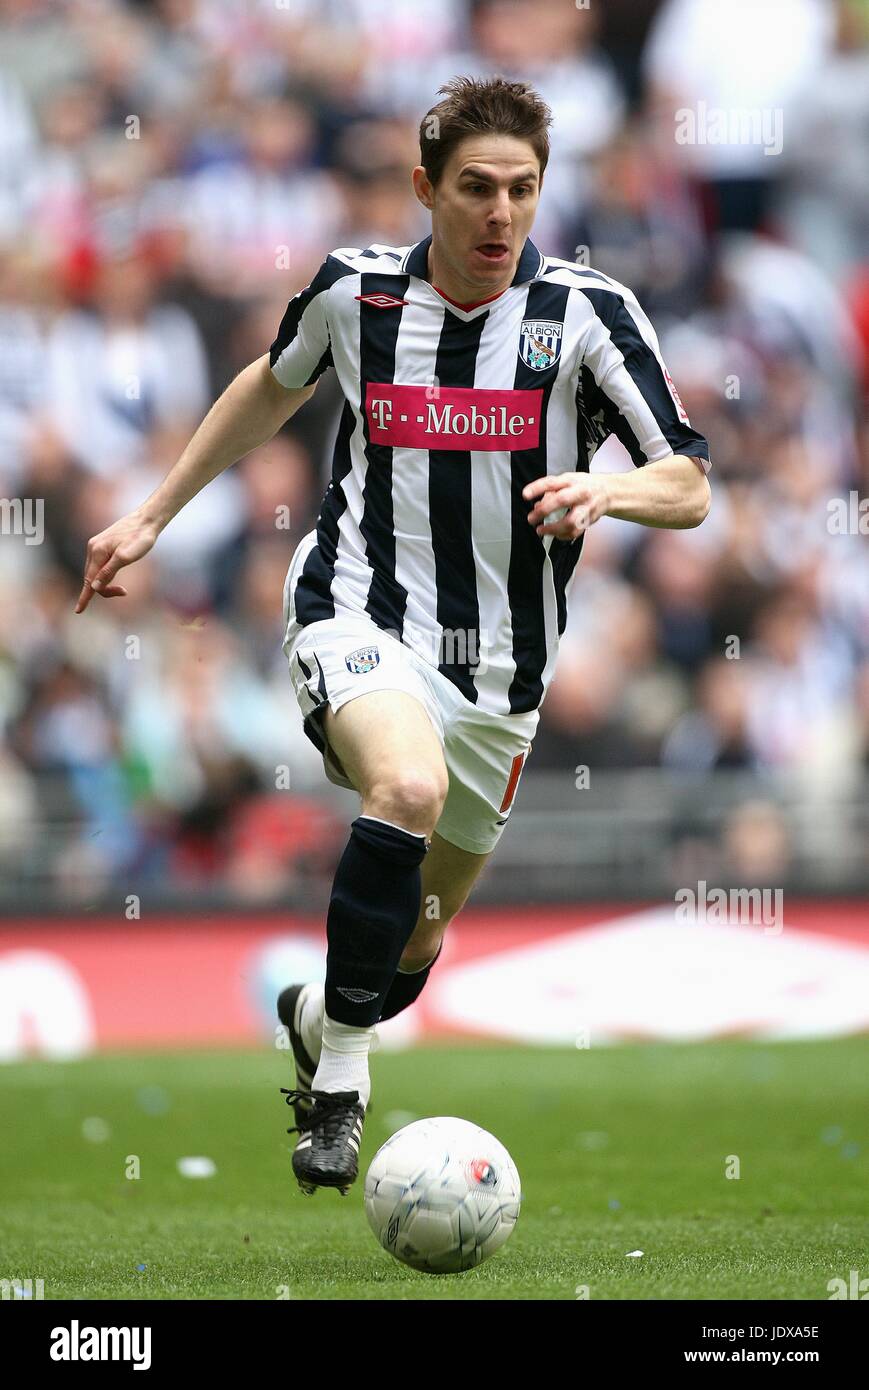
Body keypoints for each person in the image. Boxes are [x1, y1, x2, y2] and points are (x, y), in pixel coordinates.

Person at [75, 76, 711, 1197]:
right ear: (425, 189)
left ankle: (318, 1016)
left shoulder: (587, 315)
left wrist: (610, 496)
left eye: (520, 188)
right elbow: (266, 393)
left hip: (503, 672)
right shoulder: (352, 294)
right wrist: (150, 514)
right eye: (474, 187)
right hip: (354, 609)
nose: (499, 212)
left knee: (408, 950)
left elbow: (689, 482)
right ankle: (339, 1093)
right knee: (403, 792)